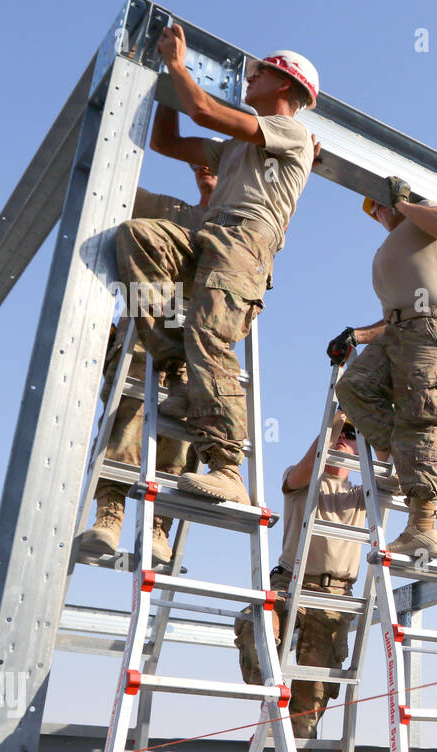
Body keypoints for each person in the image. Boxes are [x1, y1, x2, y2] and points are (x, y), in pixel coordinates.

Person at [115, 25, 319, 505]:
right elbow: (167, 141)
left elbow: (203, 109)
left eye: (258, 74)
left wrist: (177, 66)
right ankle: (174, 361)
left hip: (245, 241)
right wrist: (169, 86)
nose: (248, 80)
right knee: (139, 238)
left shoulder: (290, 132)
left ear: (284, 85)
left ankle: (227, 466)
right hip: (211, 232)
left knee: (209, 333)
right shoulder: (234, 150)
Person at [79, 164, 218, 564]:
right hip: (145, 334)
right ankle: (110, 513)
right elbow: (111, 176)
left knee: (182, 434)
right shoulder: (171, 212)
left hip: (195, 340)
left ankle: (158, 528)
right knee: (127, 417)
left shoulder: (237, 222)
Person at [327, 179, 437, 560]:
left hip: (428, 331)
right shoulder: (397, 241)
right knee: (353, 388)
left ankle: (422, 527)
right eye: (375, 211)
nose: (379, 216)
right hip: (398, 332)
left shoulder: (425, 218)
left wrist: (404, 204)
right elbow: (395, 315)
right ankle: (402, 451)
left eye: (378, 206)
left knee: (420, 420)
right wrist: (358, 335)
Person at [234, 415, 364, 752]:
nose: (342, 440)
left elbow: (394, 471)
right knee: (255, 629)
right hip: (290, 583)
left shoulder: (362, 495)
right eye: (339, 434)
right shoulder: (303, 479)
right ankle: (272, 706)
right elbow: (305, 468)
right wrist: (336, 421)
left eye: (351, 436)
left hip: (335, 597)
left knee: (310, 704)